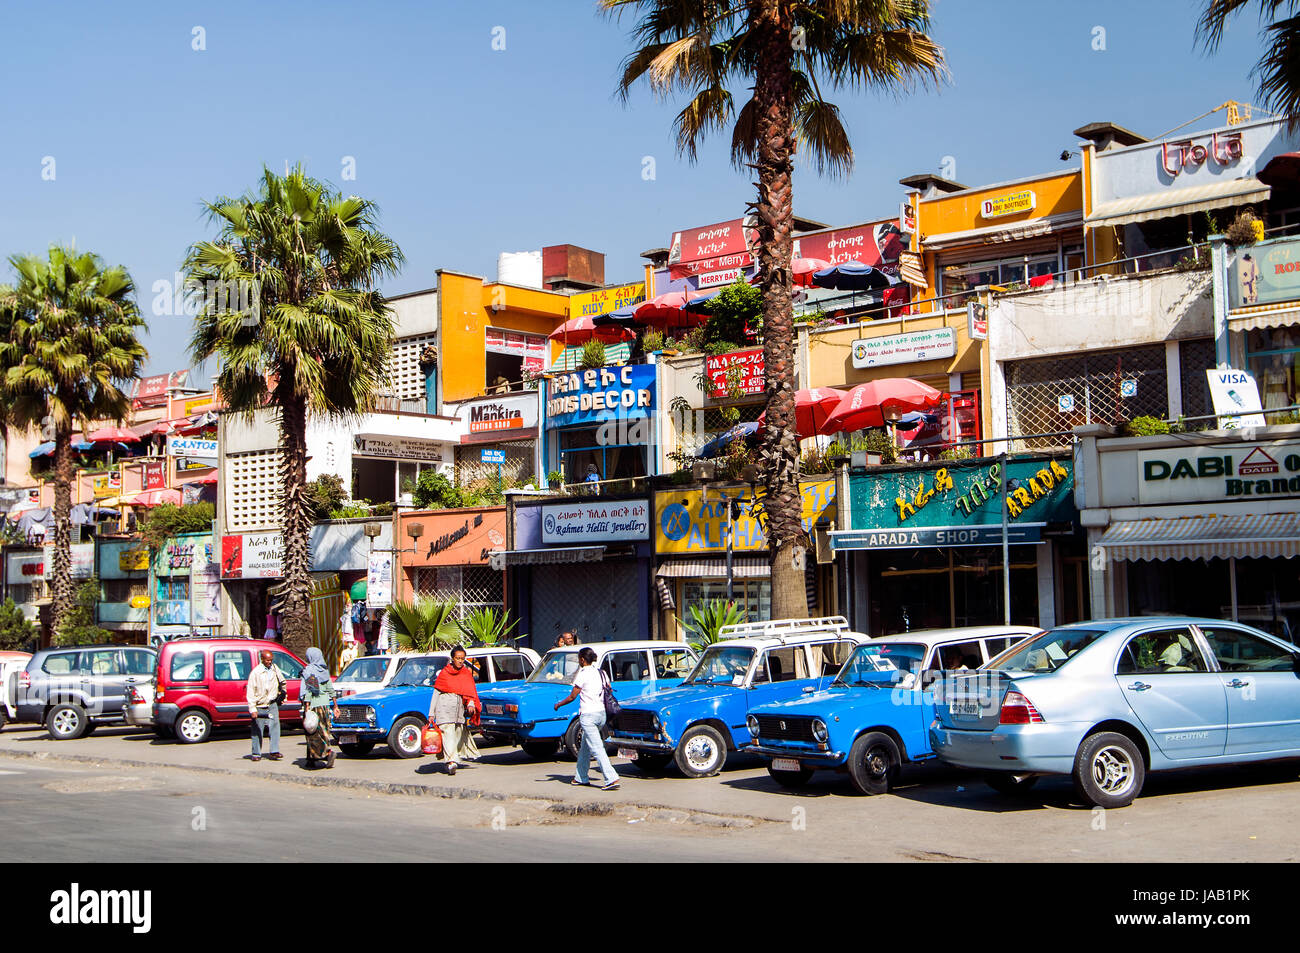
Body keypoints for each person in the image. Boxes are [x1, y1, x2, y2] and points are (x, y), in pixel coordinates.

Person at [554, 647, 619, 791]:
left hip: (588, 716)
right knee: (585, 747)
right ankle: (580, 777)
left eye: (579, 659)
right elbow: (608, 688)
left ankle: (611, 778)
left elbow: (572, 696)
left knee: (597, 748)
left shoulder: (582, 674)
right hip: (601, 715)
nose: (578, 661)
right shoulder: (602, 672)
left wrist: (559, 704)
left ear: (582, 660)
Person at [429, 646, 481, 775]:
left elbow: (469, 692)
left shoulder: (466, 674)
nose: (460, 661)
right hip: (444, 709)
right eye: (458, 658)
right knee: (448, 734)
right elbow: (436, 693)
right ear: (452, 658)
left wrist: (470, 704)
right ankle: (451, 762)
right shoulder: (444, 673)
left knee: (457, 734)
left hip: (458, 711)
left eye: (462, 659)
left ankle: (452, 759)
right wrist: (431, 713)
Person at [300, 647, 340, 769]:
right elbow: (331, 690)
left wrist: (306, 707)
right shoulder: (324, 671)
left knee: (313, 733)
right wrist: (335, 707)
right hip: (325, 706)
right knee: (324, 732)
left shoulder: (310, 671)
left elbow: (309, 691)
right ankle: (311, 759)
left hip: (314, 706)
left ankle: (328, 754)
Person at [246, 649, 285, 762]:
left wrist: (282, 695)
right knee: (258, 730)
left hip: (272, 703)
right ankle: (256, 753)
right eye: (267, 660)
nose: (269, 662)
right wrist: (252, 708)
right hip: (260, 704)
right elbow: (250, 692)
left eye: (271, 660)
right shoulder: (256, 673)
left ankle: (274, 751)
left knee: (275, 727)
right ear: (262, 659)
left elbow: (282, 682)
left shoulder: (274, 668)